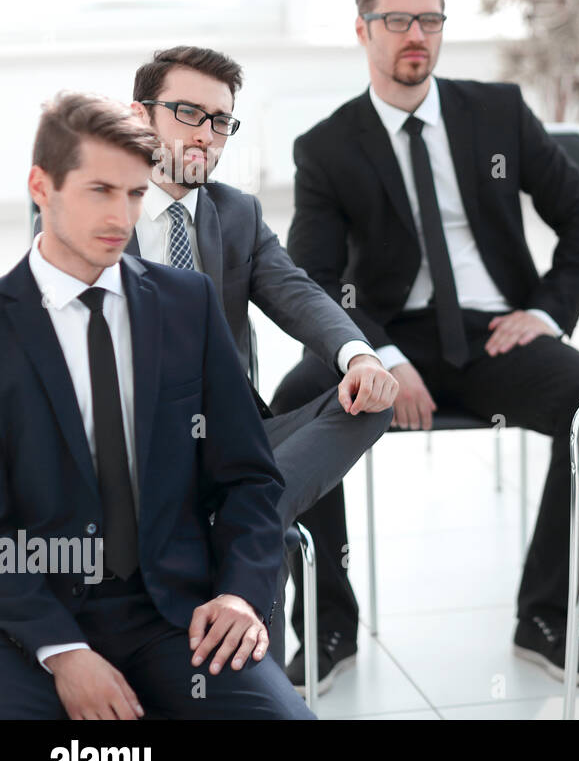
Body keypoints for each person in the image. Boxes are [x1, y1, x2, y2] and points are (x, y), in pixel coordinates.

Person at [281, 0, 579, 690]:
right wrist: (382, 357)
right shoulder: (327, 148)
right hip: (384, 332)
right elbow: (314, 282)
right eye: (397, 21)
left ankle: (547, 614)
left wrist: (548, 313)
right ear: (363, 30)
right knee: (291, 407)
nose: (416, 36)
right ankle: (327, 622)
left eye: (430, 20)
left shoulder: (496, 113)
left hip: (497, 334)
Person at [0, 92, 312, 719]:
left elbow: (250, 477)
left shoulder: (184, 303)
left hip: (177, 614)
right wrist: (63, 650)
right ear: (42, 186)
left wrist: (241, 596)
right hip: (31, 621)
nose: (121, 216)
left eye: (135, 194)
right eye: (99, 190)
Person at [124, 46, 396, 677]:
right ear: (141, 117)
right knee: (252, 520)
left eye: (221, 120)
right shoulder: (102, 206)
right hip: (138, 446)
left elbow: (297, 292)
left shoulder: (235, 213)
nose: (205, 135)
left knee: (370, 401)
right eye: (188, 113)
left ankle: (251, 513)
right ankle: (251, 527)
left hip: (232, 442)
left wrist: (359, 354)